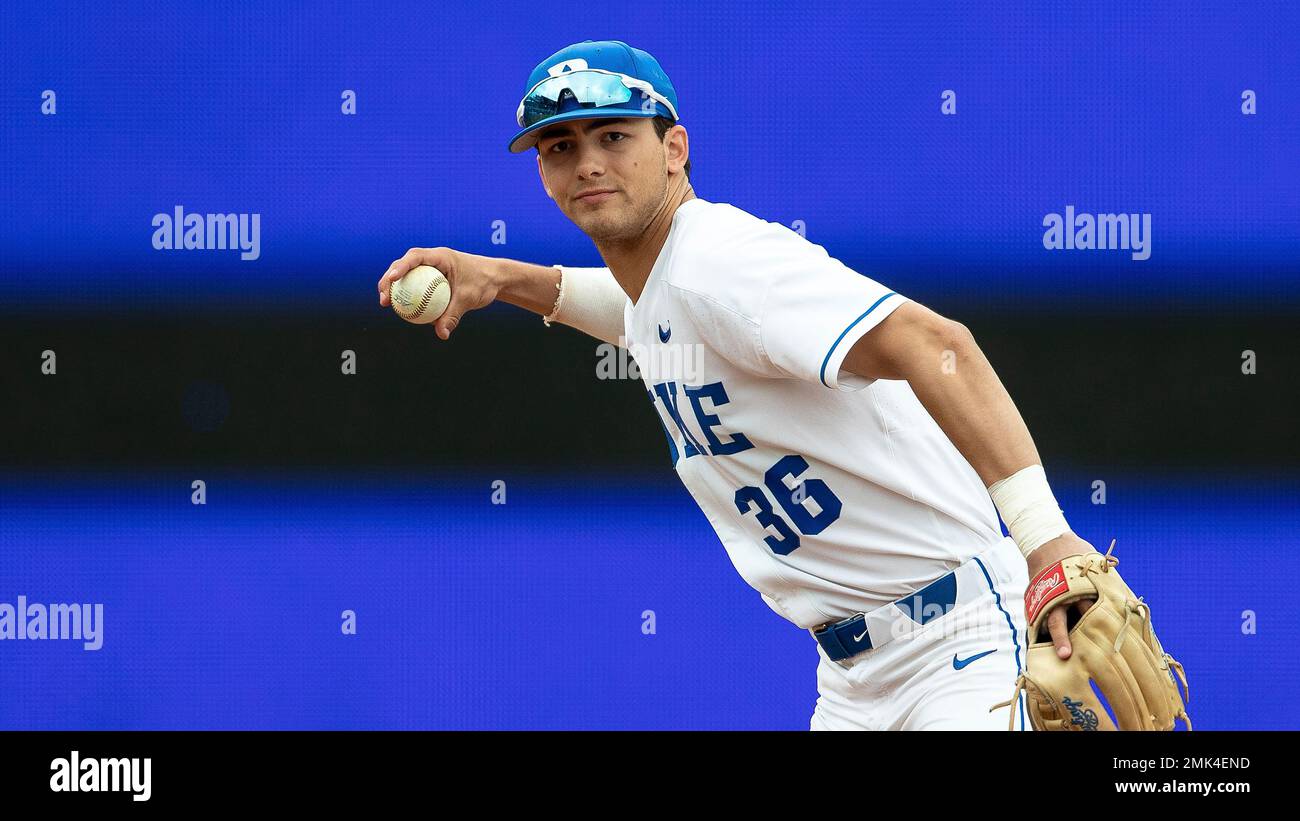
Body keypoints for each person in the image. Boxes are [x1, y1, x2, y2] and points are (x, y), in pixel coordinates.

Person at [378, 40, 1102, 730]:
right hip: (857, 681)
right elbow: (637, 312)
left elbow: (939, 345)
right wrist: (502, 277)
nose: (589, 163)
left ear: (674, 148)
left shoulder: (720, 263)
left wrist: (1045, 541)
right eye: (561, 147)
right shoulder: (666, 286)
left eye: (614, 136)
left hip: (960, 643)